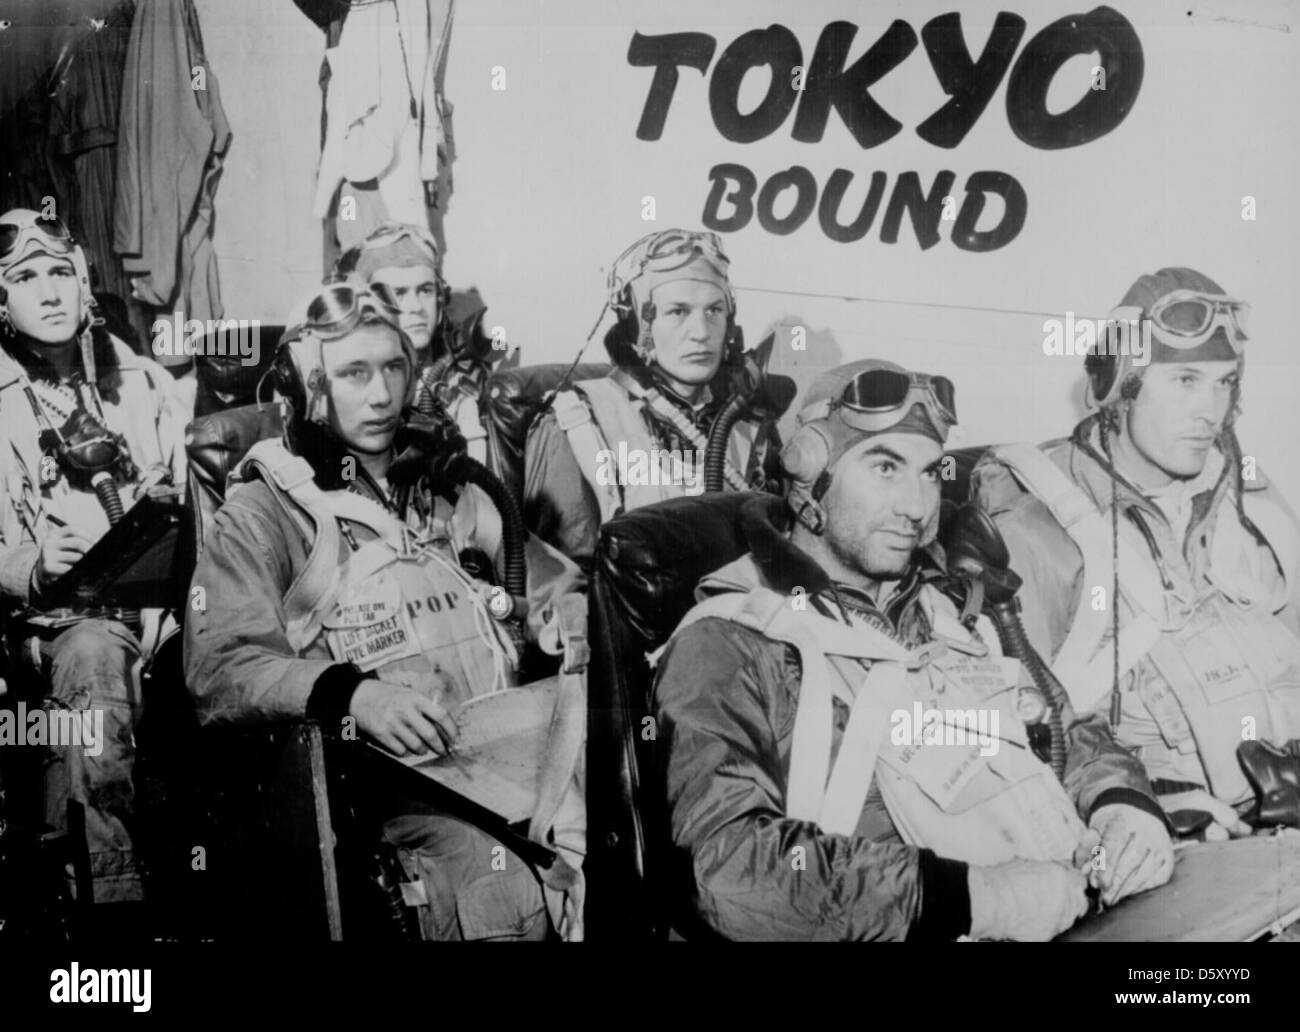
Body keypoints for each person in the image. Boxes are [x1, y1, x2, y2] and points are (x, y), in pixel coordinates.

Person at [651, 359, 1174, 941]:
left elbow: (1059, 726)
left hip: (1082, 913)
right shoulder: (730, 642)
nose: (917, 507)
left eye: (928, 474)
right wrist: (970, 898)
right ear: (809, 476)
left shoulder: (946, 607)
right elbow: (727, 867)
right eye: (885, 468)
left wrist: (1122, 803)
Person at [183, 281, 587, 940]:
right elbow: (220, 666)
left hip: (501, 752)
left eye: (393, 368)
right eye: (354, 373)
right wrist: (353, 696)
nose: (381, 395)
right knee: (500, 888)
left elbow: (555, 585)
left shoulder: (444, 488)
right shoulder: (263, 513)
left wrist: (559, 618)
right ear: (306, 384)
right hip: (379, 782)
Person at [974, 268, 1300, 837]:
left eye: (1225, 382)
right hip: (1176, 848)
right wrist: (1135, 804)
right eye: (1186, 380)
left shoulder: (1241, 502)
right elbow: (1014, 739)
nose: (1211, 410)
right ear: (1119, 386)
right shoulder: (1038, 528)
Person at [0, 208, 187, 910]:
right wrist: (30, 565)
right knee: (93, 656)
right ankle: (107, 907)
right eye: (25, 278)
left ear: (82, 281)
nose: (49, 292)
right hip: (57, 628)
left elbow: (197, 503)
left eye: (60, 272)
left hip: (164, 612)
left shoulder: (141, 383)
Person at [524, 228, 786, 574]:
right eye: (678, 312)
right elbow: (558, 585)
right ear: (638, 327)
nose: (701, 332)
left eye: (713, 310)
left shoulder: (748, 423)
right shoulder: (579, 425)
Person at [339, 221, 497, 463]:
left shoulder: (464, 376)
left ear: (440, 298)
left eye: (425, 291)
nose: (415, 307)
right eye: (399, 293)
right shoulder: (349, 380)